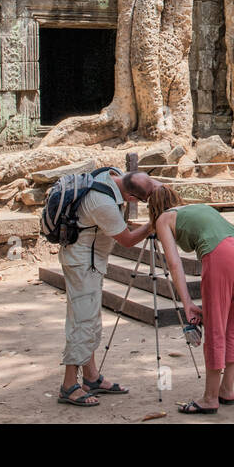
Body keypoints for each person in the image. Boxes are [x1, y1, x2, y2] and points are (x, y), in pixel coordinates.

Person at [147, 185, 234, 415]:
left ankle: (209, 398)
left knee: (215, 328)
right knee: (232, 325)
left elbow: (174, 264)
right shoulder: (194, 207)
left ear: (152, 208)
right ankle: (226, 390)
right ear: (176, 198)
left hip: (220, 254)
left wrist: (187, 304)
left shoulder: (163, 219)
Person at [58, 169, 158, 407]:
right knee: (82, 322)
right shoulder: (102, 202)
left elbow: (148, 183)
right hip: (82, 264)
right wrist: (154, 223)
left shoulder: (112, 175)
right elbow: (128, 240)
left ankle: (91, 377)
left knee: (90, 319)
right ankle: (69, 385)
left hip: (90, 262)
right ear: (132, 198)